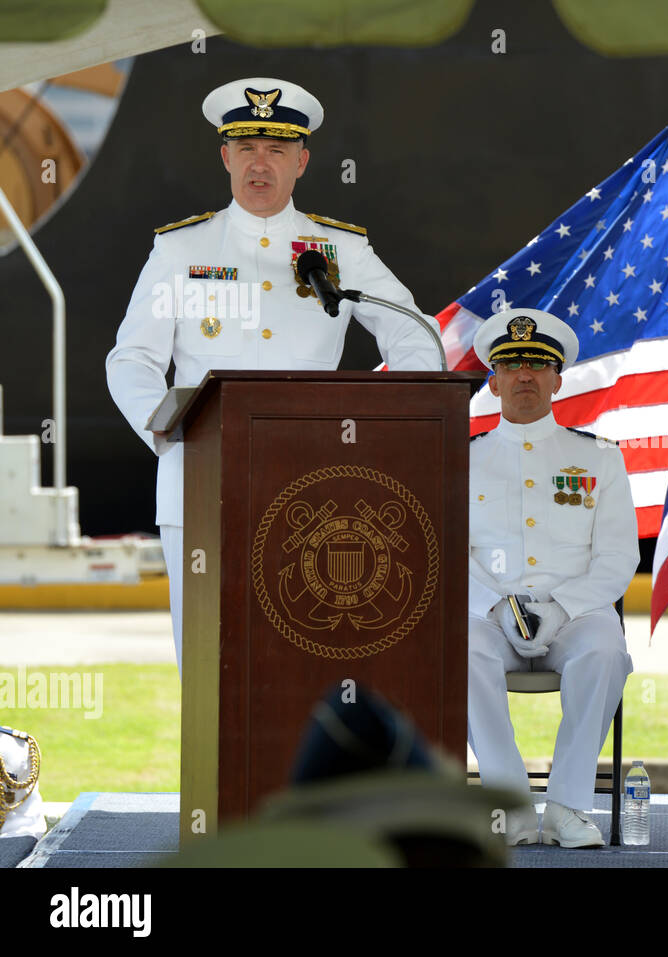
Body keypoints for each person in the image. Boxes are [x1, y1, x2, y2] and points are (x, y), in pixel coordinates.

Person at [105, 77, 442, 673]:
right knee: (209, 664)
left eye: (278, 150)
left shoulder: (339, 250)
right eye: (248, 148)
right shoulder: (181, 249)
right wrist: (164, 433)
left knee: (305, 662)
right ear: (225, 156)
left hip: (317, 488)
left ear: (303, 162)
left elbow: (413, 332)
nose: (261, 164)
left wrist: (397, 424)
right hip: (202, 482)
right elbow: (131, 358)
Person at [466, 308, 637, 848]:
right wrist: (494, 608)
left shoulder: (599, 459)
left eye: (537, 366)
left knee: (606, 651)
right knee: (457, 648)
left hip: (575, 616)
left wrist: (560, 608)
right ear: (493, 381)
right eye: (511, 365)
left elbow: (617, 555)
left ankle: (567, 806)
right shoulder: (459, 458)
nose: (524, 376)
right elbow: (447, 553)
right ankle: (511, 808)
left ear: (557, 379)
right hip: (490, 616)